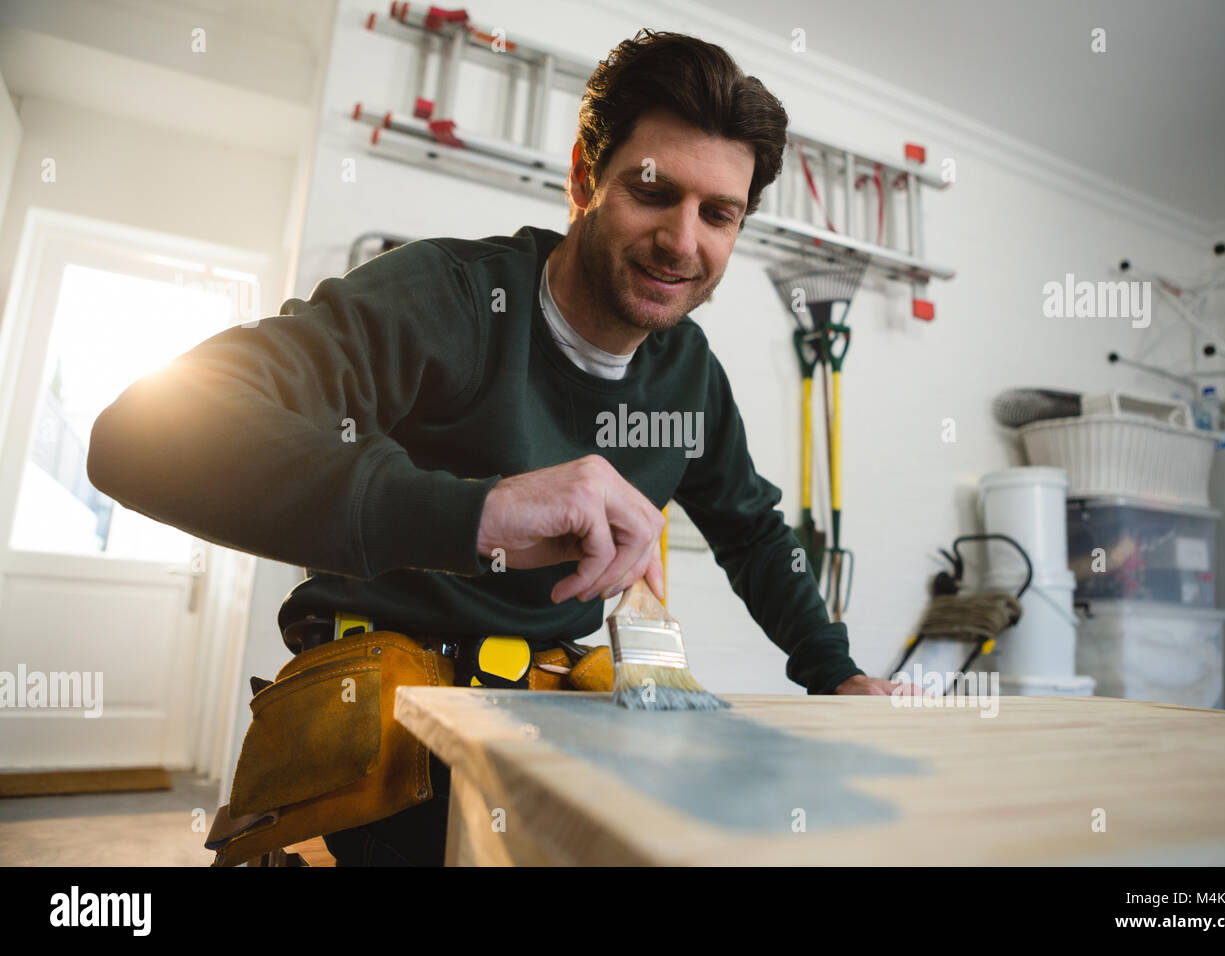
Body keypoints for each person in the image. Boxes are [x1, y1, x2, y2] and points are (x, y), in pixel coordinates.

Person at [87, 29, 916, 867]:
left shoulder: (690, 375)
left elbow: (754, 532)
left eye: (718, 214)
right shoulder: (447, 299)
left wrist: (836, 672)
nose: (682, 241)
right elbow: (137, 437)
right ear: (583, 179)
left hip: (555, 706)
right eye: (653, 192)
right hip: (386, 727)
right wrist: (477, 514)